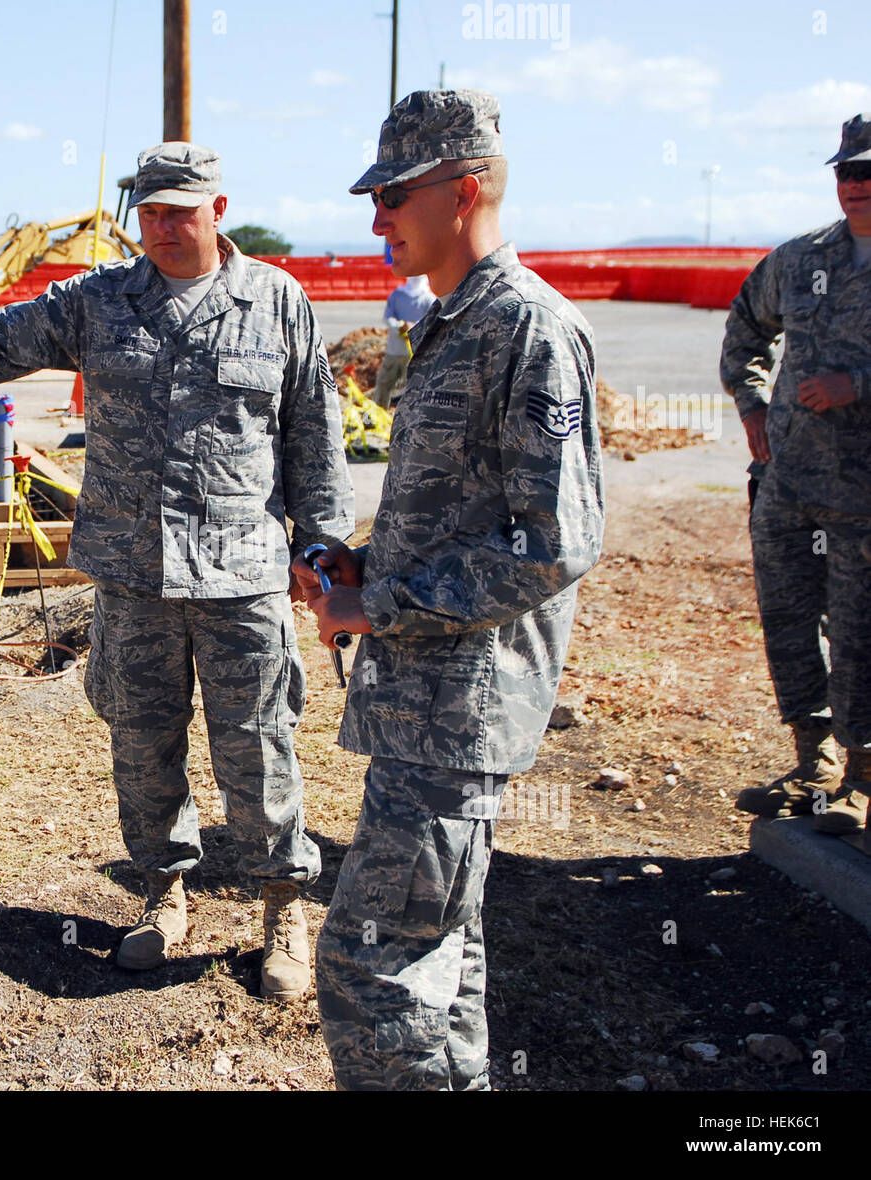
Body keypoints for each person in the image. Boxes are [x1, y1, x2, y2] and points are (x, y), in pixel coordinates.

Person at [0, 143, 354, 998]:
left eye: (180, 210)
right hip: (132, 577)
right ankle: (163, 896)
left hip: (242, 576)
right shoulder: (100, 300)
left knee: (260, 748)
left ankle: (284, 909)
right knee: (140, 741)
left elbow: (315, 434)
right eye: (150, 211)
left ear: (219, 209)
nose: (162, 226)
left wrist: (324, 551)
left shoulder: (276, 302)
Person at [293, 89, 604, 1089]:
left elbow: (553, 544)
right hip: (424, 707)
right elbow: (464, 515)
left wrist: (373, 607)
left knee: (367, 968)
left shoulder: (529, 330)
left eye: (392, 194)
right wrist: (366, 568)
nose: (375, 217)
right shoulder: (454, 322)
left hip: (459, 713)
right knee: (441, 957)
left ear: (463, 189)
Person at [723, 113, 871, 833]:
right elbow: (747, 328)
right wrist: (752, 406)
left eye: (870, 173)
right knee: (788, 621)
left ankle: (863, 773)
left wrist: (861, 382)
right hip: (788, 489)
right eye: (847, 172)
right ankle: (812, 761)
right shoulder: (801, 258)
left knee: (860, 631)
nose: (857, 184)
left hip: (863, 498)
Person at [373, 274, 435, 408]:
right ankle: (378, 413)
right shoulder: (397, 295)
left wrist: (413, 327)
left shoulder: (428, 298)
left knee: (413, 387)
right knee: (384, 383)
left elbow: (432, 321)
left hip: (417, 352)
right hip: (395, 350)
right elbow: (388, 318)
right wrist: (400, 326)